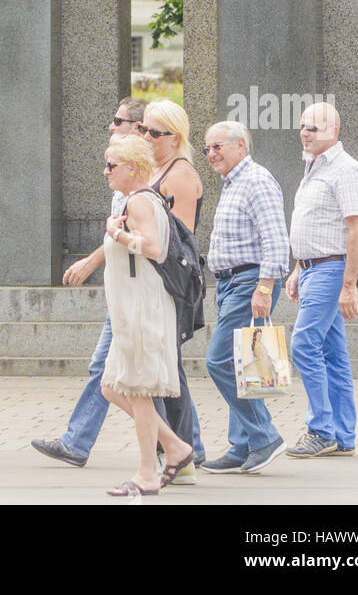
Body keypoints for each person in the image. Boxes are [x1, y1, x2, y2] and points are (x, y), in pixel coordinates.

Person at [30, 97, 146, 467]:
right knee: (115, 372)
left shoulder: (142, 183)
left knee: (123, 372)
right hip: (122, 286)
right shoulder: (122, 180)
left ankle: (176, 443)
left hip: (136, 288)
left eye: (119, 120)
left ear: (139, 129)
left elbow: (132, 236)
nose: (111, 126)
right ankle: (79, 442)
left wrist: (90, 261)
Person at [100, 136, 193, 497]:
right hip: (132, 307)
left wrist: (118, 234)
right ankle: (175, 447)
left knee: (138, 390)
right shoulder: (138, 199)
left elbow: (154, 248)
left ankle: (146, 473)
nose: (105, 171)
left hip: (142, 307)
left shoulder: (139, 200)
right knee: (112, 386)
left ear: (132, 168)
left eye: (112, 165)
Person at [200, 120, 290, 474]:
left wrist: (264, 288)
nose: (211, 154)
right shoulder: (233, 182)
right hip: (230, 283)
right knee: (242, 365)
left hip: (250, 281)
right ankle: (243, 446)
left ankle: (265, 436)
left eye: (217, 146)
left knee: (219, 361)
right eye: (207, 148)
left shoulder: (256, 180)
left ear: (241, 145)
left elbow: (276, 240)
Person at [285, 102, 358, 458]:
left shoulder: (345, 170)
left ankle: (320, 429)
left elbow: (357, 229)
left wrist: (349, 286)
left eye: (313, 128)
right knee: (333, 354)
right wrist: (298, 268)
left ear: (334, 131)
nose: (305, 132)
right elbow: (317, 226)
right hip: (312, 268)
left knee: (303, 345)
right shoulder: (313, 167)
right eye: (303, 126)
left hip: (331, 271)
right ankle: (342, 435)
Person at [141, 99, 204, 464]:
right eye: (143, 130)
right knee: (163, 369)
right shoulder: (155, 169)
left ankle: (180, 451)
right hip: (152, 282)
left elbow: (179, 238)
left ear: (175, 136)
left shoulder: (179, 173)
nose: (146, 137)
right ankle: (180, 451)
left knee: (167, 370)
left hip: (170, 285)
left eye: (154, 132)